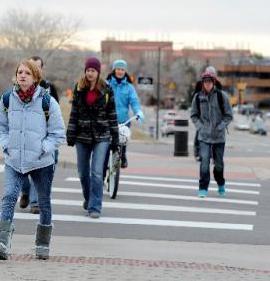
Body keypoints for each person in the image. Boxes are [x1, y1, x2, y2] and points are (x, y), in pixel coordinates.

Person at [0, 59, 66, 260]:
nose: (22, 75)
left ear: (36, 76)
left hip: (41, 162)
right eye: (20, 72)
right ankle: (2, 242)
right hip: (14, 159)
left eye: (27, 73)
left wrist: (42, 149)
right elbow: (2, 127)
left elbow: (58, 133)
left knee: (44, 203)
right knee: (9, 196)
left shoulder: (48, 101)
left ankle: (42, 243)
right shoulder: (6, 99)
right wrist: (6, 145)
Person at [66, 57, 119, 218]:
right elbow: (74, 113)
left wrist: (115, 137)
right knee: (83, 172)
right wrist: (71, 133)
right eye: (88, 70)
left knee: (96, 172)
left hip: (102, 136)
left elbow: (112, 114)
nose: (90, 73)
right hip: (82, 136)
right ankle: (89, 198)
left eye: (93, 71)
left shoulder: (107, 89)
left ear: (98, 72)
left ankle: (95, 206)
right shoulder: (79, 88)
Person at [19, 56, 60, 214]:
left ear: (41, 69)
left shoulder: (50, 88)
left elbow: (55, 113)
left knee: (41, 168)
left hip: (45, 134)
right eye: (31, 66)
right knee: (22, 169)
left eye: (37, 67)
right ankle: (26, 191)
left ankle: (35, 203)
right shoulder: (19, 88)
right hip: (25, 135)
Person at [190, 68, 233, 198]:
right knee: (204, 163)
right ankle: (203, 187)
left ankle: (220, 183)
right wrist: (200, 127)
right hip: (204, 137)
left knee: (219, 164)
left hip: (219, 137)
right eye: (205, 81)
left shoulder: (222, 96)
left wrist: (221, 126)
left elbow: (229, 115)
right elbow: (194, 115)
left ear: (214, 82)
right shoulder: (198, 97)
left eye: (210, 81)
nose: (207, 83)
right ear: (202, 83)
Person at [106, 59, 144, 168]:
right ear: (114, 70)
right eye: (118, 69)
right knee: (107, 144)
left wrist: (138, 112)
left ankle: (123, 156)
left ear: (125, 71)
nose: (120, 71)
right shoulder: (106, 84)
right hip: (108, 120)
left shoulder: (129, 87)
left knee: (122, 141)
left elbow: (134, 102)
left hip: (123, 121)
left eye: (122, 69)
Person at [192, 66, 223, 162]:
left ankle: (213, 155)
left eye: (213, 74)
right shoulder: (199, 84)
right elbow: (195, 97)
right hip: (202, 112)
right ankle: (198, 153)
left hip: (214, 112)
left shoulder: (218, 85)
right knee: (200, 132)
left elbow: (221, 98)